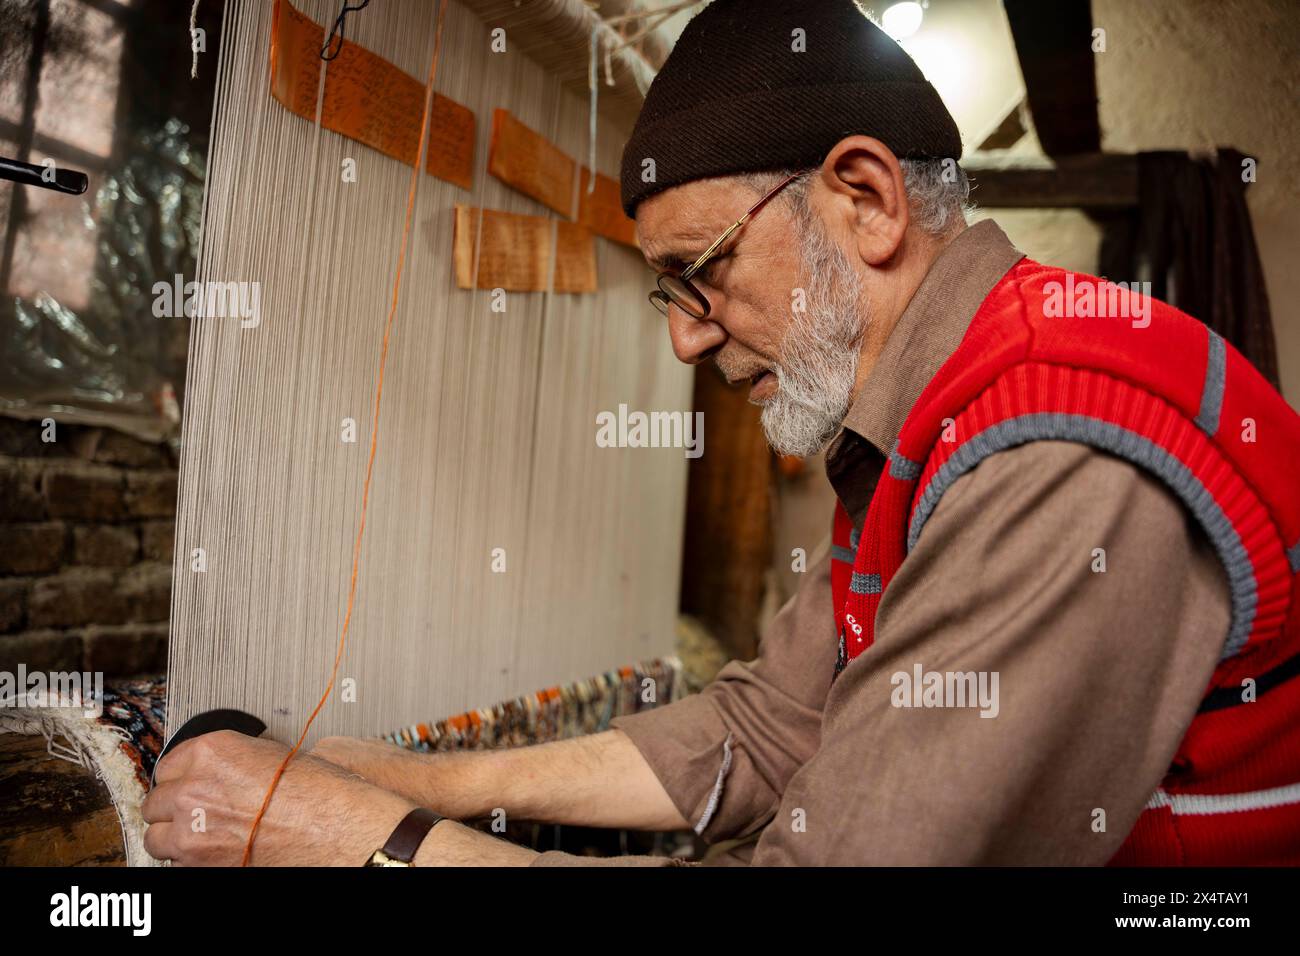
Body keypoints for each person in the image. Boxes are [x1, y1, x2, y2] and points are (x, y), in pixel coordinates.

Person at [144, 0, 1300, 866]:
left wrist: (353, 832)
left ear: (866, 199)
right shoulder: (923, 420)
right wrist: (401, 773)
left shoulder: (1056, 454)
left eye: (699, 273)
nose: (686, 343)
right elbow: (765, 722)